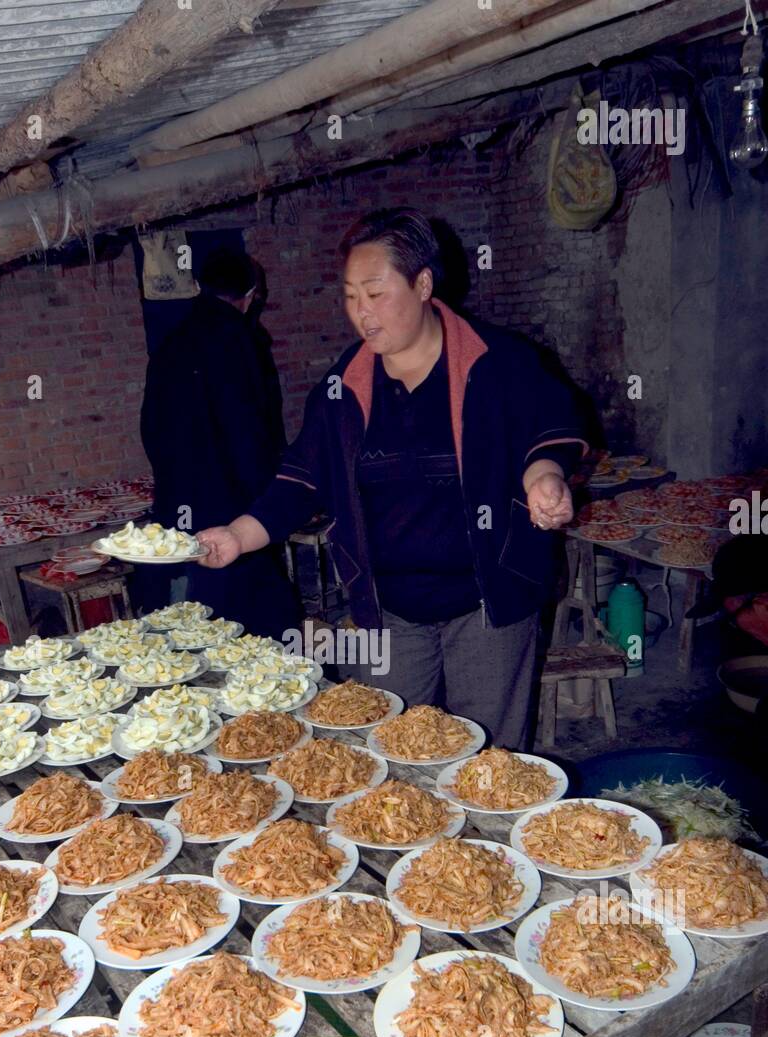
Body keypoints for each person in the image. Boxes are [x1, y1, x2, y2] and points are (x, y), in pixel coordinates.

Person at [195, 209, 589, 747]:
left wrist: (544, 475)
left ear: (423, 283)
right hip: (389, 608)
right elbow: (302, 476)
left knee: (492, 762)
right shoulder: (345, 385)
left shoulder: (498, 362)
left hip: (487, 601)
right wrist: (237, 535)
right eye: (352, 295)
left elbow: (551, 428)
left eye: (376, 294)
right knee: (398, 757)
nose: (362, 313)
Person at [138, 246, 302, 640]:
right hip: (234, 499)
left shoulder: (171, 341)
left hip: (180, 493)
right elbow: (252, 429)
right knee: (252, 615)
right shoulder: (243, 340)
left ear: (198, 286)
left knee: (198, 601)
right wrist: (268, 501)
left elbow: (150, 426)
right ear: (250, 294)